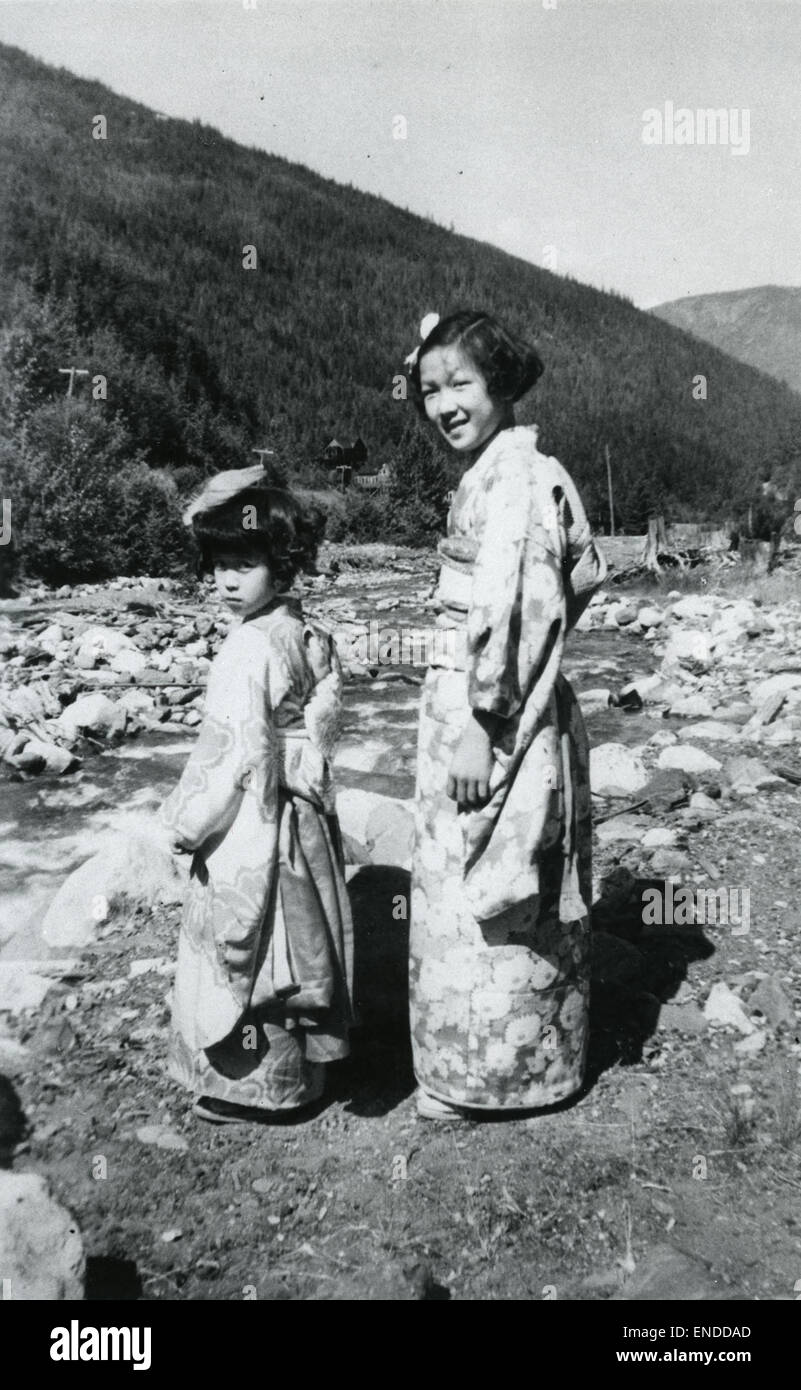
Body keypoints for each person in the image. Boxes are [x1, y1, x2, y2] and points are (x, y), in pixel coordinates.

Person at [405, 309, 607, 1120]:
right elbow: (579, 585)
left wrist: (485, 724)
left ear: (500, 385)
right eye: (428, 389)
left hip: (492, 708)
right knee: (481, 878)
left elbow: (526, 606)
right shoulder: (501, 469)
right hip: (483, 692)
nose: (444, 404)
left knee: (490, 880)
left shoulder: (517, 479)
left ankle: (496, 1080)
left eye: (460, 384)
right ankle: (490, 1071)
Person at [160, 477, 354, 1122]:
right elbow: (325, 715)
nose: (226, 581)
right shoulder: (304, 629)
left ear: (282, 563)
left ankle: (259, 1092)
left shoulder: (245, 647)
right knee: (303, 943)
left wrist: (189, 826)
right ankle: (308, 1078)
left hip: (258, 818)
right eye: (218, 566)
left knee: (252, 945)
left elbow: (231, 753)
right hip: (304, 814)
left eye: (245, 565)